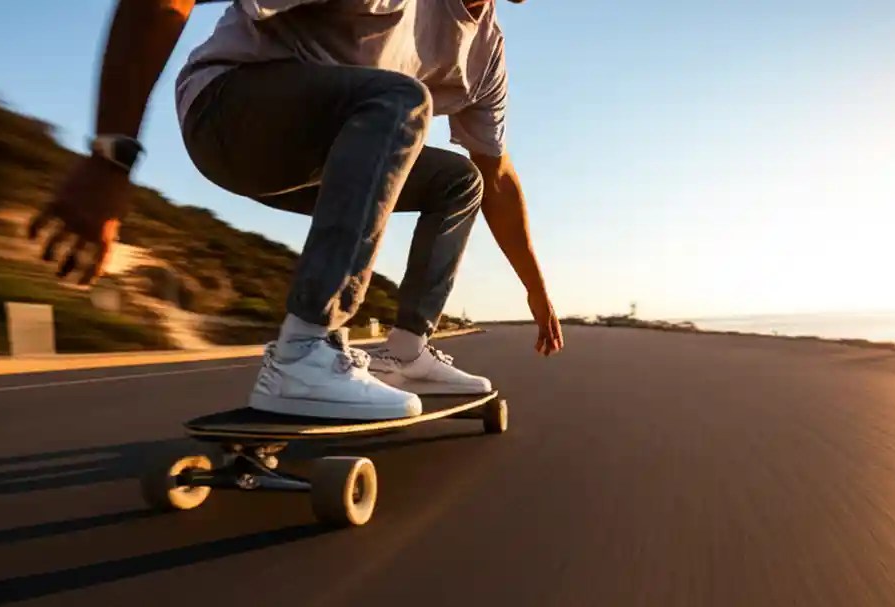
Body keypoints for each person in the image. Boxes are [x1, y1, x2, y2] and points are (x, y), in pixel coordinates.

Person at [28, 0, 563, 420]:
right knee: (402, 100)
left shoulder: (486, 50)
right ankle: (302, 354)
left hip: (328, 159)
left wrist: (536, 291)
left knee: (460, 180)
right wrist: (110, 158)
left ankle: (405, 352)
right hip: (228, 113)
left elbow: (497, 176)